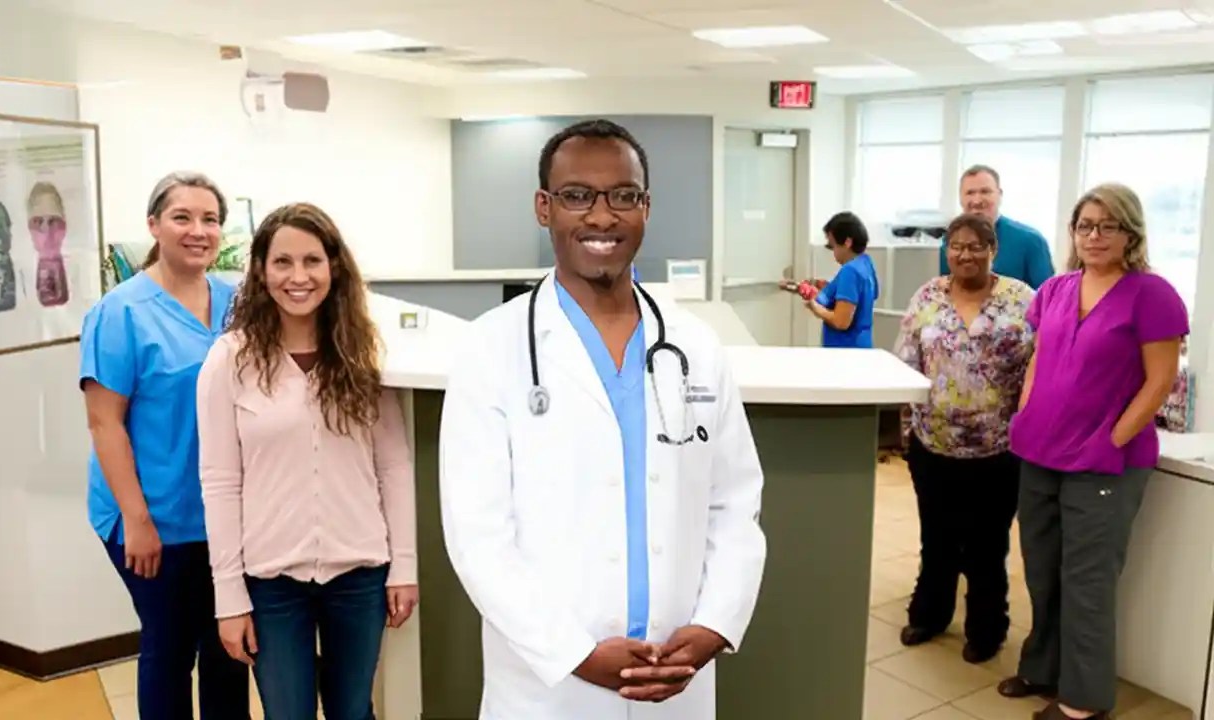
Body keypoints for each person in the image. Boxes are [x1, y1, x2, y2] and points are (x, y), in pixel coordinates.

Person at [438, 118, 766, 720]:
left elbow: (735, 504)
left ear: (646, 206)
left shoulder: (695, 346)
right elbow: (477, 536)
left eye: (623, 196)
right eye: (576, 196)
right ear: (544, 207)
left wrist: (714, 625)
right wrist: (575, 653)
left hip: (677, 670)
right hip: (547, 683)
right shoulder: (492, 349)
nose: (601, 216)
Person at [197, 202, 417, 720]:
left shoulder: (363, 355)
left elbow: (394, 467)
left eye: (312, 261)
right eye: (283, 262)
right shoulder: (230, 360)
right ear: (260, 270)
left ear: (334, 267)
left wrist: (403, 565)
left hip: (360, 574)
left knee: (352, 711)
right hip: (272, 583)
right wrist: (229, 596)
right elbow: (220, 483)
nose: (299, 277)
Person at [1000, 183, 1189, 720]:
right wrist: (1026, 411)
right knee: (1042, 571)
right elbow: (1040, 359)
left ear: (1131, 233)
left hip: (1105, 462)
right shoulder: (1057, 288)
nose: (1095, 235)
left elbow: (1160, 381)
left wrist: (1112, 438)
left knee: (1087, 581)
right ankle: (1043, 670)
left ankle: (1083, 700)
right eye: (1085, 225)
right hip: (1040, 452)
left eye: (1109, 226)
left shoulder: (1152, 294)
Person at [78, 172, 249, 720]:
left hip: (223, 515)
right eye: (182, 217)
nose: (198, 231)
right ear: (154, 226)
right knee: (170, 650)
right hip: (152, 518)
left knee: (229, 649)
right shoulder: (120, 312)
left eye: (210, 219)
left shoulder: (237, 301)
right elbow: (105, 424)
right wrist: (138, 520)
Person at [893, 213, 1034, 664]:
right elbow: (906, 364)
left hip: (999, 449)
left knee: (987, 545)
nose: (965, 254)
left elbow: (1041, 365)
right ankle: (930, 615)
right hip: (932, 444)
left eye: (976, 246)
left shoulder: (1020, 299)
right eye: (957, 245)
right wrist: (905, 432)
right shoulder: (927, 296)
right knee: (936, 536)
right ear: (947, 250)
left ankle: (987, 630)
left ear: (993, 249)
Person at [941, 165, 1055, 290]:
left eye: (985, 191)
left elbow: (1049, 298)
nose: (977, 200)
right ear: (960, 198)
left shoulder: (1031, 241)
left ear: (999, 195)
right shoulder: (945, 243)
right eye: (970, 193)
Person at [797, 211, 879, 348]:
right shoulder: (866, 262)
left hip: (845, 351)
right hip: (863, 346)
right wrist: (829, 289)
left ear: (847, 242)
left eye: (833, 246)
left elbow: (841, 322)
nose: (833, 253)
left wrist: (813, 306)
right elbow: (868, 295)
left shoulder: (850, 271)